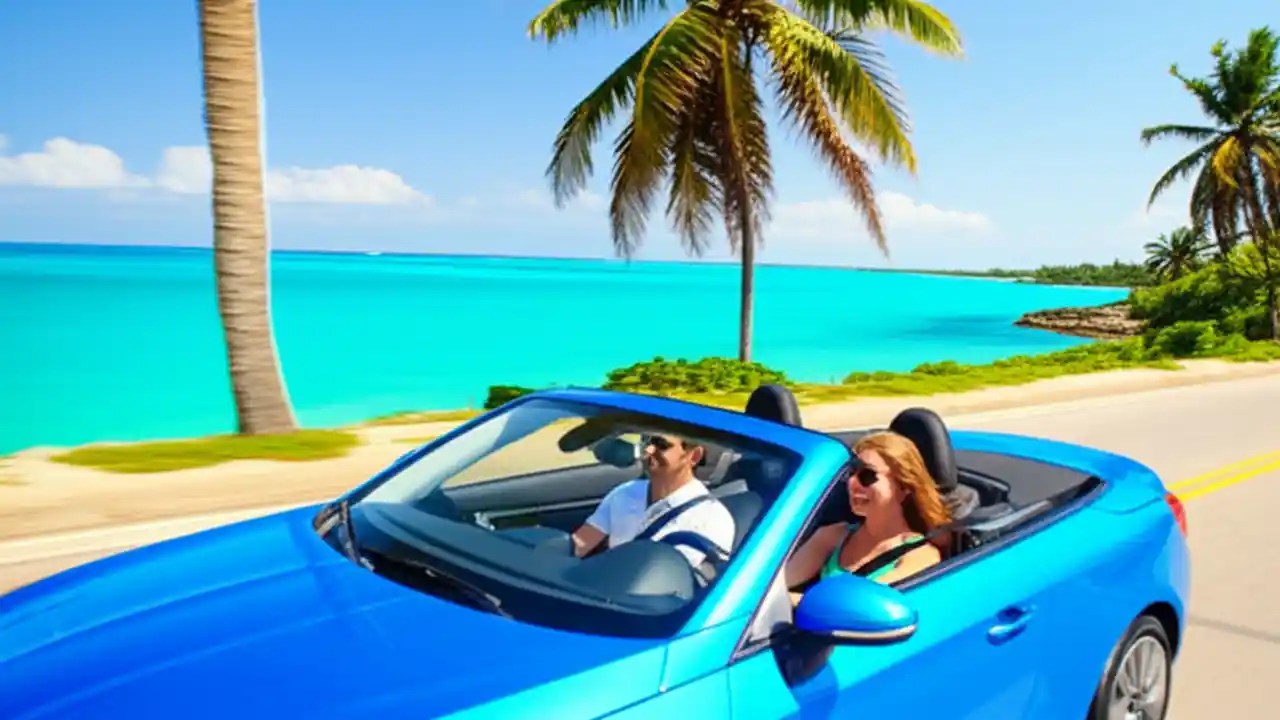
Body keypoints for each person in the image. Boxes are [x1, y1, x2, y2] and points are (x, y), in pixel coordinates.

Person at [785, 431, 952, 596]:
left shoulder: (919, 556)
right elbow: (775, 587)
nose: (852, 483)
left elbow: (851, 606)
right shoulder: (833, 535)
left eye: (867, 475)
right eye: (851, 473)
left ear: (904, 486)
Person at [572, 432, 736, 569]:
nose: (649, 450)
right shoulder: (625, 492)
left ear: (694, 456)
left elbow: (679, 585)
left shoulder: (712, 519)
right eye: (646, 441)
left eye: (662, 445)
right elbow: (579, 545)